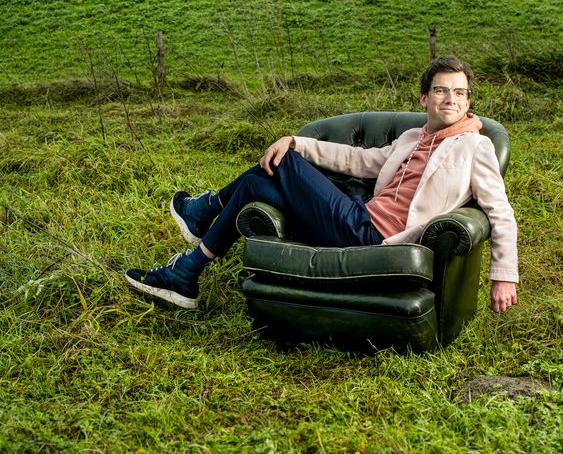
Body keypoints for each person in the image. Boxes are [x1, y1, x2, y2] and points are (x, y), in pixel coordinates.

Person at [125, 56, 518, 314]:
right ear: (424, 97)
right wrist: (297, 140)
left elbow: (499, 211)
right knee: (260, 182)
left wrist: (503, 275)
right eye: (442, 90)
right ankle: (186, 274)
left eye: (460, 92)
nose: (451, 98)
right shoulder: (412, 139)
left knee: (285, 165)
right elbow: (359, 161)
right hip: (357, 218)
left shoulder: (476, 146)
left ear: (468, 102)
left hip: (374, 236)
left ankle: (202, 212)